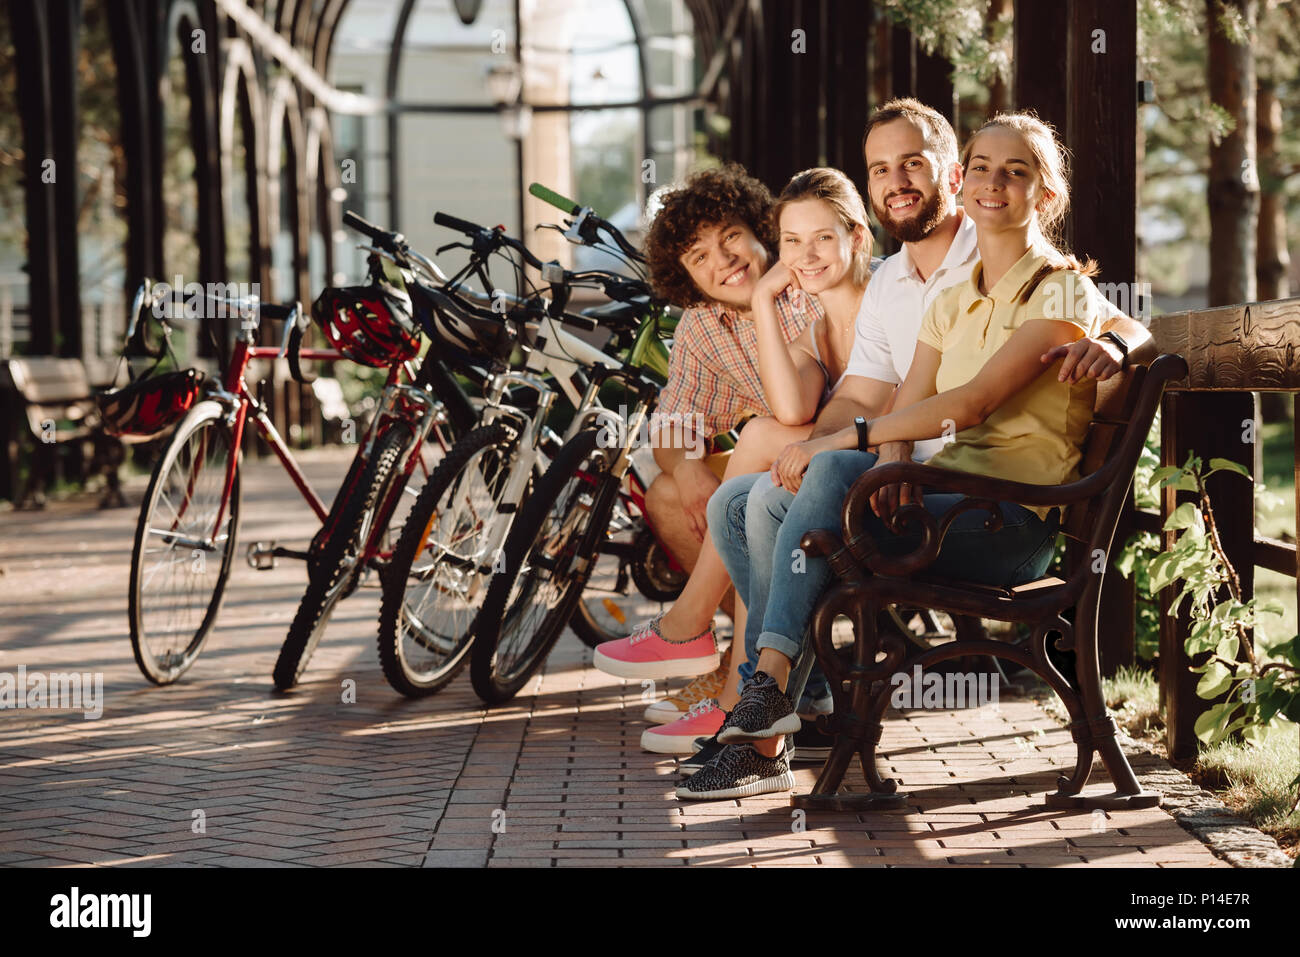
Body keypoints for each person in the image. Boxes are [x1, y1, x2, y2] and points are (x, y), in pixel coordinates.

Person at [679, 109, 1153, 801]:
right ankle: (777, 707)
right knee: (750, 500)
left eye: (1015, 172)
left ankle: (766, 706)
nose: (995, 183)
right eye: (984, 168)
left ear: (1044, 197)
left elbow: (974, 402)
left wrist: (849, 444)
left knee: (836, 465)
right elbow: (906, 402)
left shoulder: (1060, 290)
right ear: (965, 184)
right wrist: (890, 464)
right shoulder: (951, 297)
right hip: (943, 504)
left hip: (1011, 527)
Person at [595, 167, 879, 757]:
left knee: (759, 463)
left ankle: (720, 662)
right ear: (687, 278)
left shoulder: (810, 281)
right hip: (793, 470)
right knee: (679, 490)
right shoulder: (705, 324)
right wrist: (687, 465)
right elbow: (671, 423)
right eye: (699, 257)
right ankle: (743, 667)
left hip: (843, 466)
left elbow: (807, 416)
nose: (722, 260)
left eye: (729, 236)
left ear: (758, 231)